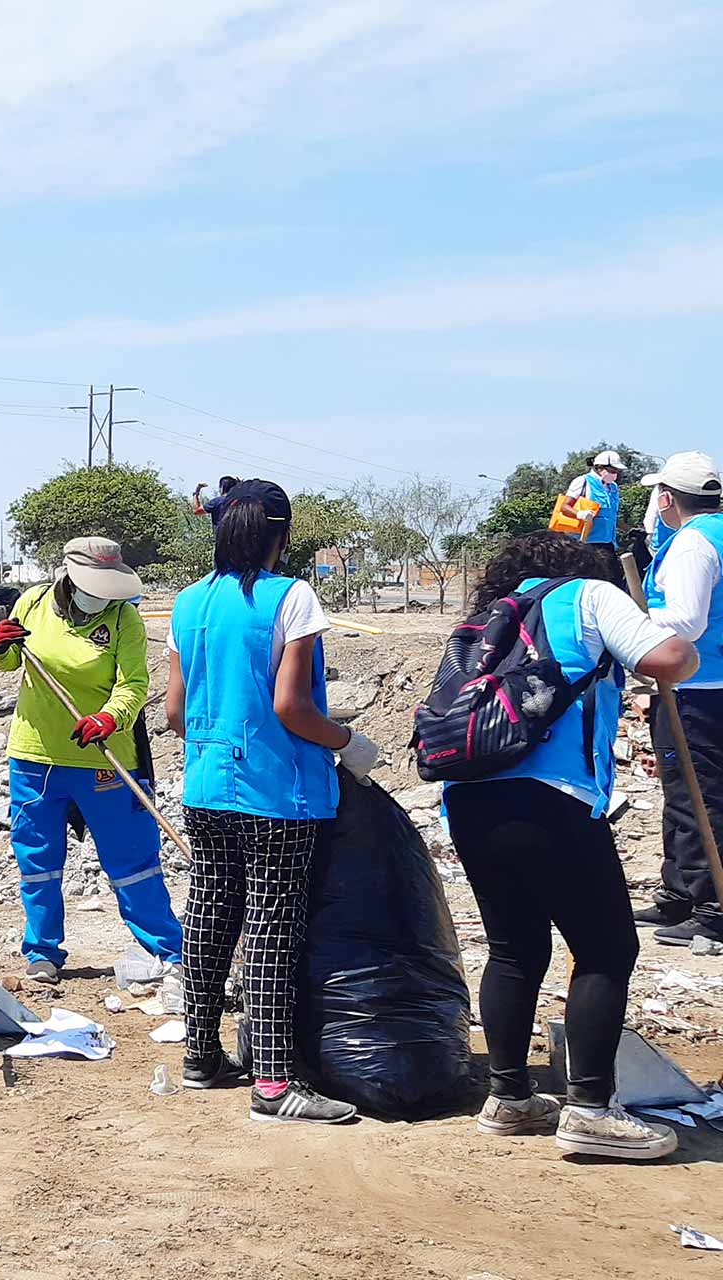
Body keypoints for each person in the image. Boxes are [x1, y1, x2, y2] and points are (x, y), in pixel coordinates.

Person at [441, 532, 693, 1159]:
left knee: (514, 946)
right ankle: (588, 1108)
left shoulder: (489, 614)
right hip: (552, 797)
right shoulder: (592, 596)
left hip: (468, 796)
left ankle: (509, 1096)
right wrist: (683, 652)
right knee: (608, 948)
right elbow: (662, 659)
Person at [164, 479, 380, 1124]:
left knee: (209, 915)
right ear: (279, 534)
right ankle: (274, 1086)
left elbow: (174, 712)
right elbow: (291, 706)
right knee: (271, 931)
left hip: (206, 786)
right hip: (277, 792)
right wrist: (348, 740)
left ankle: (201, 1056)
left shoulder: (188, 602)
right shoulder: (293, 598)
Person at [0, 538, 183, 985]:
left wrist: (109, 718)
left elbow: (134, 684)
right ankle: (42, 951)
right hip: (36, 755)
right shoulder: (32, 602)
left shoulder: (124, 617)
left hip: (104, 756)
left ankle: (169, 952)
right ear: (70, 577)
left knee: (131, 858)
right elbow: (9, 661)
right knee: (38, 859)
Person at [637, 452, 723, 948]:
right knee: (684, 795)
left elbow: (687, 622)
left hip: (698, 688)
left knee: (698, 797)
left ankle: (709, 906)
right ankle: (680, 893)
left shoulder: (693, 544)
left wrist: (637, 622)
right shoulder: (709, 535)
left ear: (667, 496)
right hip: (706, 685)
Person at [564, 450, 625, 551]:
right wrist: (580, 514)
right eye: (612, 471)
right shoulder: (583, 481)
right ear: (600, 467)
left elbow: (610, 515)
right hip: (584, 544)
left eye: (617, 471)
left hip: (608, 543)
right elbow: (564, 507)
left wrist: (628, 529)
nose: (615, 474)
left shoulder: (614, 487)